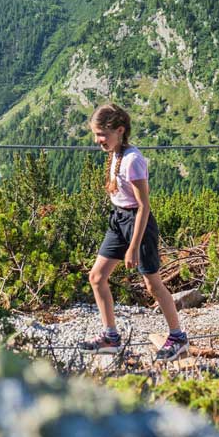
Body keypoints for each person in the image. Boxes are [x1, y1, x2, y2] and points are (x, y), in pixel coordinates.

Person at [79, 103, 189, 361]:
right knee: (96, 277)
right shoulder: (117, 153)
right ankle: (110, 336)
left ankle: (177, 336)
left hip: (137, 224)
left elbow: (144, 206)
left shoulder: (133, 160)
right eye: (96, 134)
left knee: (152, 285)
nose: (98, 140)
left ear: (120, 130)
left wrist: (132, 246)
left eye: (102, 134)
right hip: (118, 221)